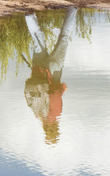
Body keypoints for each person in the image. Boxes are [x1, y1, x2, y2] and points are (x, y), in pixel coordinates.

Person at [23, 8, 75, 144]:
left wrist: (63, 89)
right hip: (37, 70)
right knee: (37, 38)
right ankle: (29, 16)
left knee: (64, 37)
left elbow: (54, 95)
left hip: (52, 70)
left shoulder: (54, 115)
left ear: (56, 129)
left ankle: (72, 8)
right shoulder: (38, 115)